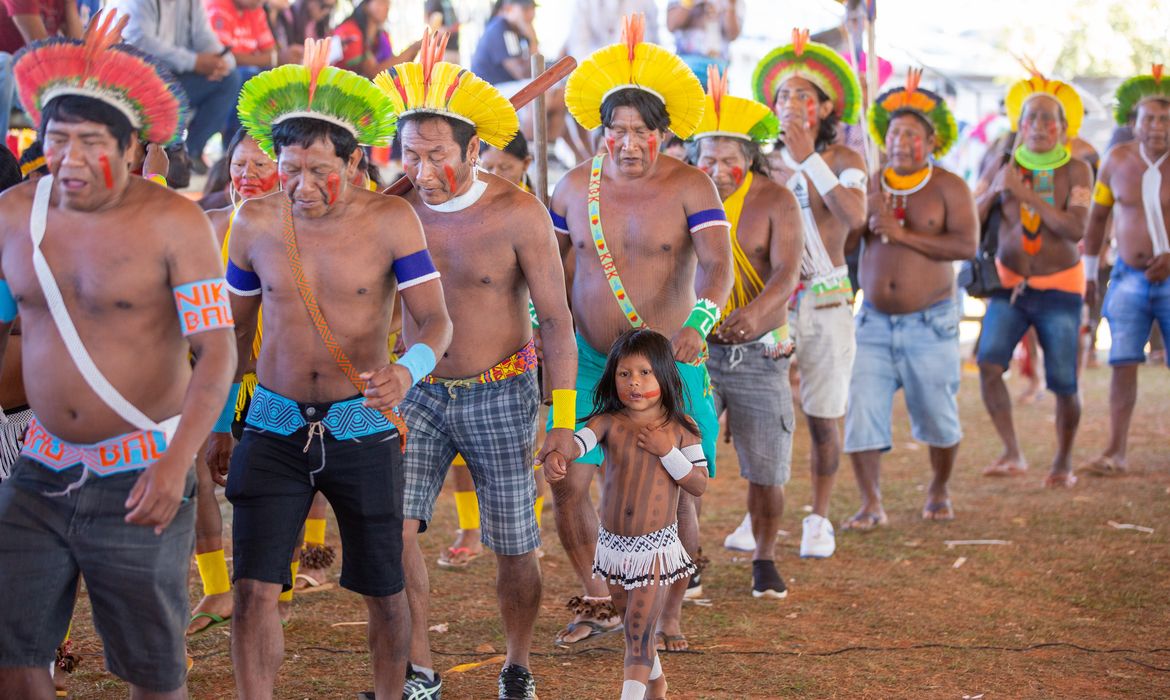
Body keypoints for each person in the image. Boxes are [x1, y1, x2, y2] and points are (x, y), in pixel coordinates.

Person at [206, 38, 452, 699]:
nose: (301, 185)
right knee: (254, 586)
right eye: (289, 169)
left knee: (384, 589)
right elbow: (233, 330)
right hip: (273, 424)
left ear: (356, 160)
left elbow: (436, 323)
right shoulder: (254, 221)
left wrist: (408, 371)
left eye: (320, 170)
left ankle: (391, 693)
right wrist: (222, 420)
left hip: (362, 424)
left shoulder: (392, 221)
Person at [0, 12, 236, 697]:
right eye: (57, 139)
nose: (68, 159)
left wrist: (173, 466)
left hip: (140, 472)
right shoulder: (15, 213)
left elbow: (216, 352)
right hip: (38, 468)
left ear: (133, 150)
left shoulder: (174, 223)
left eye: (90, 143)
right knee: (14, 656)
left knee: (151, 674)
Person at [374, 30, 576, 699]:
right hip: (416, 391)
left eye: (437, 154)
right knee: (394, 529)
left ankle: (517, 661)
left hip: (503, 392)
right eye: (411, 153)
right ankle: (420, 668)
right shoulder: (391, 209)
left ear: (474, 149)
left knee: (515, 546)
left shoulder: (518, 214)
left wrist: (563, 418)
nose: (425, 167)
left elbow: (558, 321)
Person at [552, 13, 732, 651]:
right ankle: (600, 598)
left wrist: (698, 324)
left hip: (671, 363)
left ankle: (668, 609)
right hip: (588, 363)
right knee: (567, 478)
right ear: (600, 133)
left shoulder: (692, 184)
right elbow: (548, 273)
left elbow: (718, 266)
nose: (627, 143)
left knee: (681, 488)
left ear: (663, 134)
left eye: (641, 132)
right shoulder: (573, 186)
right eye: (616, 131)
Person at [744, 28, 867, 559]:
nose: (792, 104)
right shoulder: (763, 163)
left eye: (803, 96)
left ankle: (819, 517)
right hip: (775, 303)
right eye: (784, 96)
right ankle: (759, 519)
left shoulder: (843, 158)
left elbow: (856, 217)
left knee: (822, 416)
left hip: (828, 300)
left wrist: (808, 159)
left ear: (824, 107)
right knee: (766, 415)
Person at [842, 71, 978, 527]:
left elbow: (965, 247)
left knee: (939, 417)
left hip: (931, 323)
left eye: (912, 134)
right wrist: (860, 223)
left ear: (932, 140)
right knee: (861, 410)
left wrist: (903, 234)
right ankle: (870, 501)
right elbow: (847, 247)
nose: (901, 141)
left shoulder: (949, 186)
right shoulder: (871, 186)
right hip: (873, 322)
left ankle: (939, 487)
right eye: (895, 132)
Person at [545, 329, 708, 700]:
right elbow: (577, 443)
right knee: (639, 628)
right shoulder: (607, 422)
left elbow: (698, 484)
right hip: (613, 548)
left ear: (664, 375)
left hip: (656, 550)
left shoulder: (682, 430)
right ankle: (658, 684)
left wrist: (668, 452)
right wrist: (559, 454)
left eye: (644, 373)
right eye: (624, 374)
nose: (634, 383)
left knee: (636, 634)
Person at [691, 66, 802, 597]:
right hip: (697, 350)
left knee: (767, 467)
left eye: (728, 160)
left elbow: (787, 272)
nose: (717, 169)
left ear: (749, 159)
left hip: (760, 349)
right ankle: (685, 557)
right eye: (707, 159)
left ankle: (764, 556)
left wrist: (756, 316)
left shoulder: (776, 199)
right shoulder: (682, 194)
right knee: (682, 458)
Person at [187, 129, 292, 636]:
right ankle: (216, 586)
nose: (246, 175)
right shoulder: (209, 225)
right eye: (239, 164)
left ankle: (282, 586)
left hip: (276, 383)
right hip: (215, 376)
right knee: (198, 478)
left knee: (273, 487)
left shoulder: (298, 227)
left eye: (260, 165)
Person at [974, 70, 1091, 488]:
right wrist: (993, 192)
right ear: (1019, 126)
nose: (1039, 127)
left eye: (1048, 119)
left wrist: (1023, 195)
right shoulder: (1000, 163)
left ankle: (1062, 460)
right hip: (1010, 286)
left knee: (1064, 382)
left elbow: (1075, 229)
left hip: (1061, 288)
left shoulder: (1078, 170)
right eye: (1031, 119)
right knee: (989, 364)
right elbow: (972, 215)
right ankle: (1012, 451)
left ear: (1062, 128)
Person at [1081, 66, 1170, 476]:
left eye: (1165, 119)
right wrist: (1088, 271)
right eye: (1148, 118)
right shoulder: (1115, 161)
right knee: (1121, 362)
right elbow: (1097, 218)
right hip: (1128, 277)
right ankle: (1115, 451)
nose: (1156, 127)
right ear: (1133, 123)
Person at [115, 0, 240, 173]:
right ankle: (156, 155)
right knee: (162, 84)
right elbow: (143, 44)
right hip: (139, 81)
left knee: (229, 79)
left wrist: (222, 62)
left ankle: (190, 152)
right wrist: (193, 62)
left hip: (174, 77)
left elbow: (204, 37)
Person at [0, 0, 82, 137]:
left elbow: (79, 50)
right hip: (9, 79)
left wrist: (70, 6)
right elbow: (41, 54)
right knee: (5, 62)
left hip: (28, 84)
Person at [206, 0, 278, 145]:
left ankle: (258, 145)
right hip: (217, 75)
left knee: (271, 78)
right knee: (247, 77)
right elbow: (224, 57)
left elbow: (272, 53)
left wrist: (269, 58)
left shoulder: (255, 9)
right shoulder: (218, 6)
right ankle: (234, 144)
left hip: (246, 74)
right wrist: (267, 58)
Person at [331, 0, 420, 78]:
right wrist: (413, 48)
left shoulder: (382, 36)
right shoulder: (349, 32)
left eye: (388, 2)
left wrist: (414, 50)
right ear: (365, 5)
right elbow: (372, 74)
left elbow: (394, 68)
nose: (387, 6)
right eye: (381, 2)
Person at [666, 0, 742, 89]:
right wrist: (688, 3)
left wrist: (730, 6)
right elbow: (672, 25)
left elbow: (733, 34)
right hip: (684, 69)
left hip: (717, 71)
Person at [271, 0, 335, 66]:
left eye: (331, 7)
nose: (327, 11)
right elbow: (280, 52)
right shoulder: (288, 16)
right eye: (324, 6)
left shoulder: (319, 24)